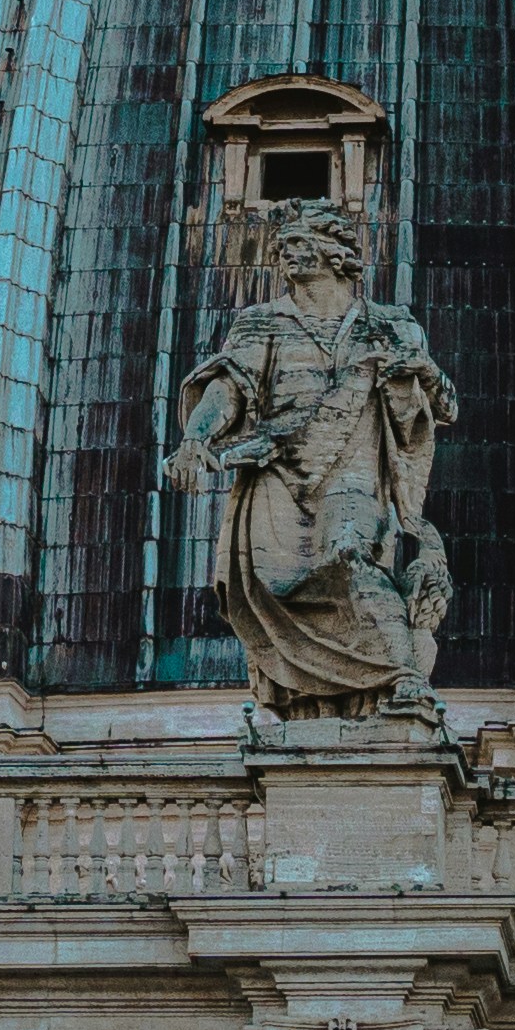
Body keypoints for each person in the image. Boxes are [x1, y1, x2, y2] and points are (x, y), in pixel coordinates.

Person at [165, 199, 452, 722]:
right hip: (276, 470)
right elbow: (229, 388)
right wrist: (194, 439)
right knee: (276, 582)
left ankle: (401, 675)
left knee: (349, 558)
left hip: (353, 471)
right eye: (283, 248)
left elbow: (445, 404)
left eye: (298, 245)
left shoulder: (389, 325)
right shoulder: (261, 322)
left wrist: (424, 373)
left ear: (334, 253)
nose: (285, 255)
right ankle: (312, 695)